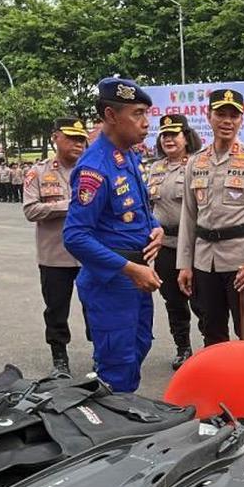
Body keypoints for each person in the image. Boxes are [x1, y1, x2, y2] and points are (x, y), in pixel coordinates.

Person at [62, 77, 164, 393]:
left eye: (146, 114)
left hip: (137, 277)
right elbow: (75, 236)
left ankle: (120, 414)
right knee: (117, 366)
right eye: (137, 114)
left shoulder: (127, 156)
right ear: (110, 116)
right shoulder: (95, 167)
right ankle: (114, 433)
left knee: (139, 347)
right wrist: (131, 269)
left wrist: (155, 228)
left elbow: (134, 212)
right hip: (114, 280)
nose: (146, 123)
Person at [176, 88, 244, 346]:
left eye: (234, 115)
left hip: (240, 262)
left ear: (242, 120)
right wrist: (185, 264)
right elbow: (188, 217)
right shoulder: (195, 162)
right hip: (204, 263)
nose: (227, 121)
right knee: (212, 333)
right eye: (221, 114)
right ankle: (219, 386)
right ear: (209, 116)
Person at [23, 118, 91, 375]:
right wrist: (68, 206)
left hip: (89, 254)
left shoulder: (91, 170)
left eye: (81, 138)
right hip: (55, 256)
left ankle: (101, 354)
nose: (78, 143)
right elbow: (30, 210)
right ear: (55, 138)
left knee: (95, 305)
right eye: (71, 137)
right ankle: (59, 358)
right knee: (56, 309)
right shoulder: (38, 173)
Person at [146, 114, 202, 369]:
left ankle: (210, 349)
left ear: (186, 137)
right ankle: (183, 348)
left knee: (202, 300)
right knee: (173, 300)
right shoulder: (155, 168)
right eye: (164, 135)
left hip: (193, 243)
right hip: (165, 244)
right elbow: (148, 205)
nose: (168, 139)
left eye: (174, 134)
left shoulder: (198, 165)